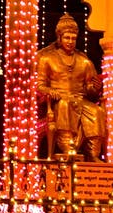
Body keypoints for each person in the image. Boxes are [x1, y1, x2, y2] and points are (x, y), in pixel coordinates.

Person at [36, 13, 107, 162]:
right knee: (64, 104)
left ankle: (93, 152)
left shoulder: (84, 62)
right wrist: (51, 91)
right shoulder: (47, 59)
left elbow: (90, 91)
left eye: (73, 38)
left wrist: (95, 88)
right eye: (67, 38)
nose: (70, 41)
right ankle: (68, 147)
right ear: (59, 37)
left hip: (80, 100)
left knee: (97, 111)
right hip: (58, 100)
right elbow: (39, 85)